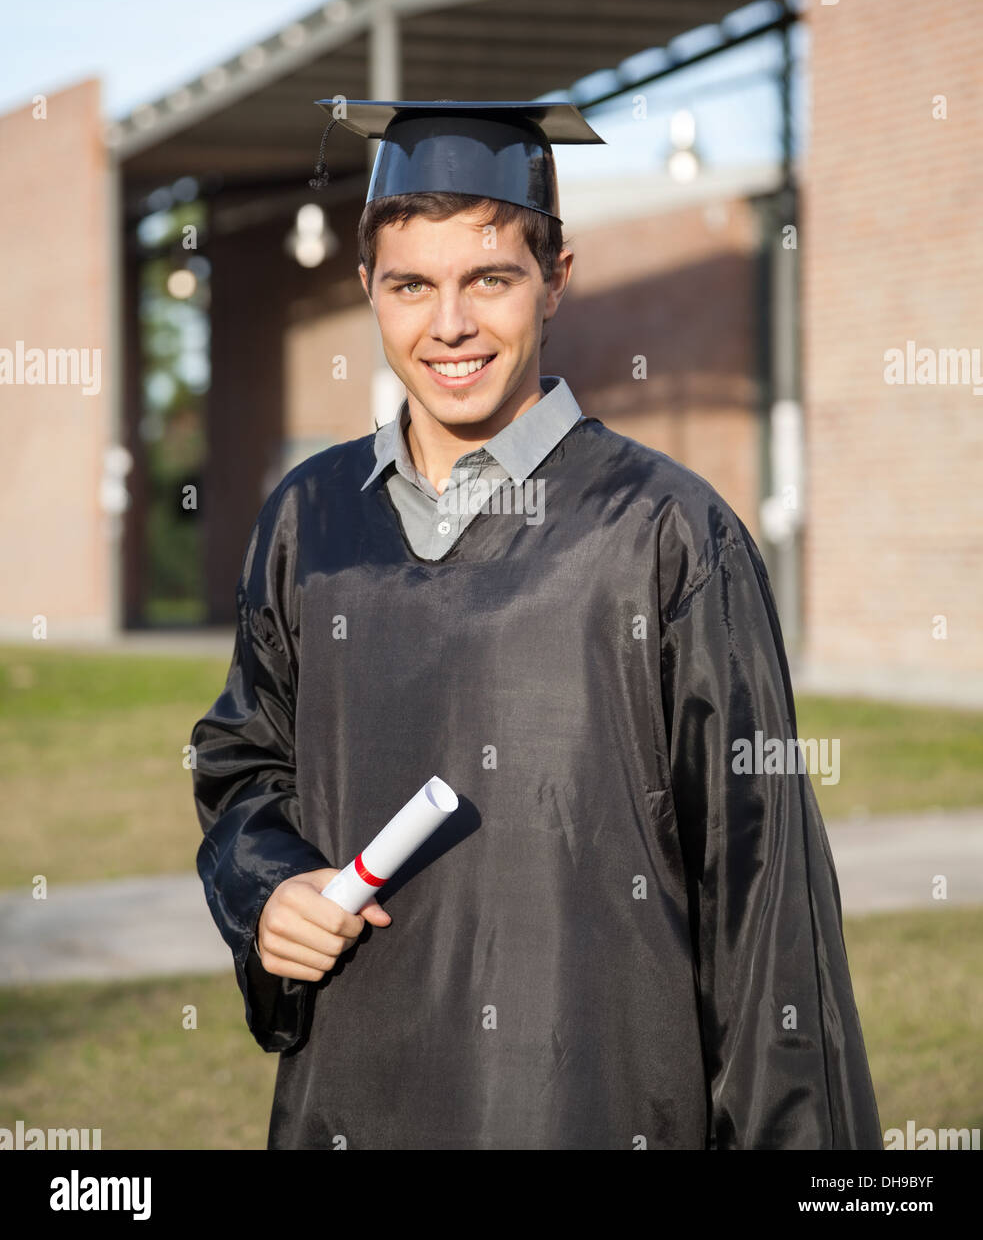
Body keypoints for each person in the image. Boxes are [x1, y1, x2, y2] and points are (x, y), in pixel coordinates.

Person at [190, 100, 882, 1150]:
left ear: (554, 280)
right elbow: (244, 766)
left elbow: (762, 888)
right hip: (350, 1099)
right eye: (410, 284)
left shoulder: (665, 533)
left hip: (595, 1101)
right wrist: (269, 887)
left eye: (490, 280)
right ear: (366, 287)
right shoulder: (308, 520)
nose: (449, 325)